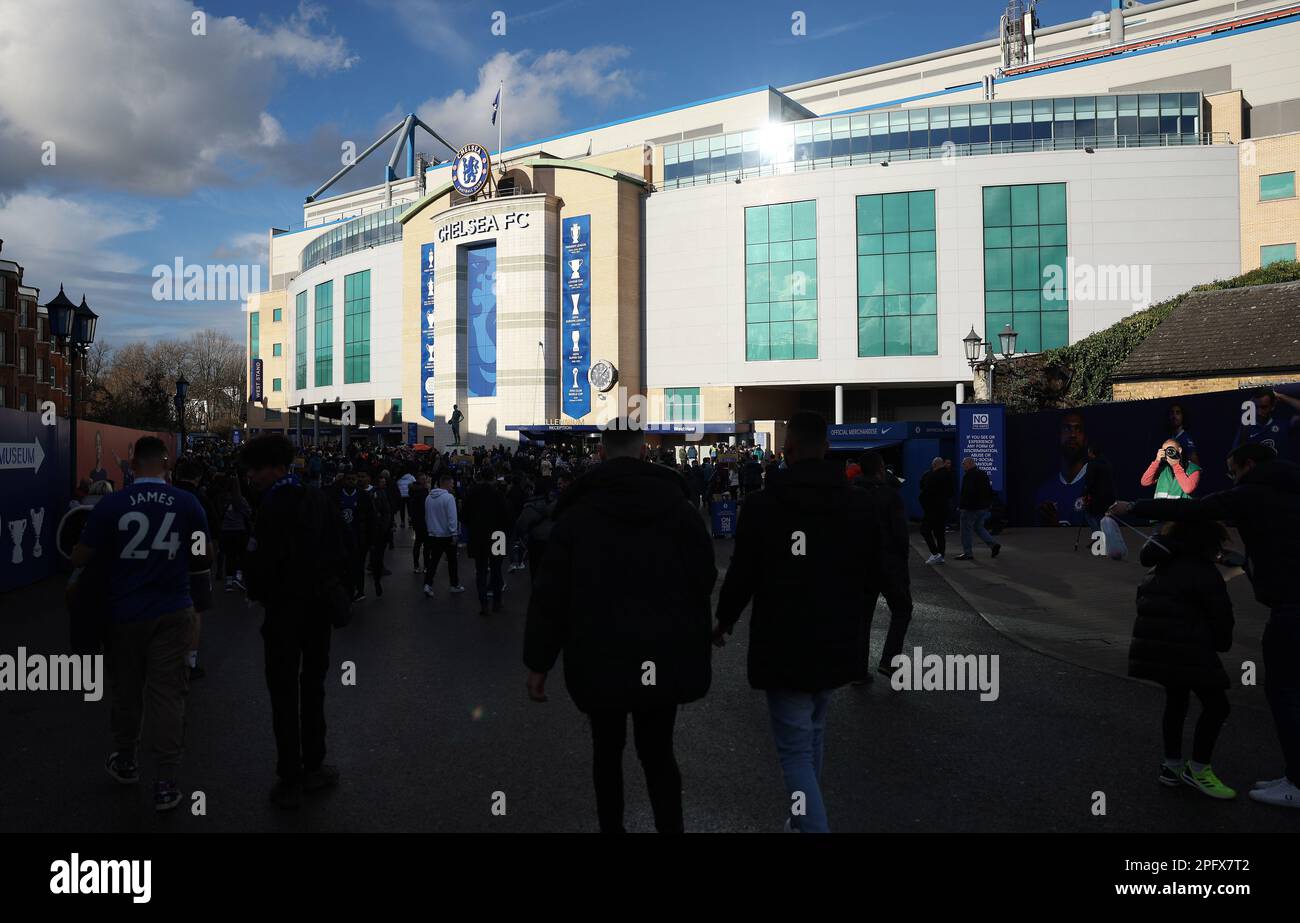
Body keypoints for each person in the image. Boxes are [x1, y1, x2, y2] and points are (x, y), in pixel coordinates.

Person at [524, 424, 716, 833]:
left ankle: (612, 828)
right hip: (661, 653)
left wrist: (539, 662)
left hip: (598, 654)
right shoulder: (678, 508)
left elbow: (551, 592)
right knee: (659, 753)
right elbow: (704, 576)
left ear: (600, 452)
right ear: (645, 452)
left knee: (606, 753)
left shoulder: (577, 514)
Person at [713, 412, 880, 832]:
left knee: (794, 750)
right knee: (814, 731)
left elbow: (743, 572)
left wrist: (723, 620)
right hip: (835, 634)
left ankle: (809, 824)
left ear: (785, 453)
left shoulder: (764, 505)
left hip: (783, 639)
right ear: (826, 448)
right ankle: (802, 817)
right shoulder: (856, 503)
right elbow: (871, 568)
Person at [1110, 442, 1300, 809]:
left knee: (1286, 693)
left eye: (1232, 471)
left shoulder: (1253, 492)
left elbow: (1193, 507)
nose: (1231, 479)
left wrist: (1133, 506)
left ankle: (1295, 780)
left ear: (1248, 465)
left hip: (1289, 609)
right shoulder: (1291, 489)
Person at [70, 436, 212, 812]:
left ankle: (127, 758)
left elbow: (80, 556)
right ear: (166, 465)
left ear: (133, 466)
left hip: (125, 612)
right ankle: (165, 781)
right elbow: (203, 557)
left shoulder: (113, 503)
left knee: (127, 690)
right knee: (168, 694)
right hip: (174, 608)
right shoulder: (188, 503)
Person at [242, 434, 349, 809]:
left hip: (283, 613)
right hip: (317, 611)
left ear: (273, 468)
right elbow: (340, 549)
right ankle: (314, 765)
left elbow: (260, 563)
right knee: (314, 686)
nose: (251, 477)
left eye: (255, 469)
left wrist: (258, 590)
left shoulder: (271, 506)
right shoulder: (317, 498)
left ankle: (289, 773)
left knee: (283, 692)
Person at [1128, 520, 1236, 798]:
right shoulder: (1203, 572)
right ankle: (1198, 769)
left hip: (1160, 651)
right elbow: (1221, 617)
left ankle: (1172, 766)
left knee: (1177, 700)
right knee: (1217, 706)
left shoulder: (1159, 568)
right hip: (1192, 650)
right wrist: (1220, 644)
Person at [855, 450, 912, 683]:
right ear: (881, 469)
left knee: (862, 618)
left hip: (861, 566)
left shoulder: (851, 495)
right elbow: (900, 536)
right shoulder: (890, 496)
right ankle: (889, 660)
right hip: (888, 564)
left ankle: (858, 671)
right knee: (902, 609)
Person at [463, 467, 512, 616]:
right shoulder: (499, 494)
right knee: (497, 569)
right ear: (493, 478)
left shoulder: (472, 494)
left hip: (478, 535)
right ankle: (497, 601)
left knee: (481, 570)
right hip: (497, 534)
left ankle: (483, 602)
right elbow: (507, 517)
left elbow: (464, 516)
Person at [1036, 411, 1090, 526]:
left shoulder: (1097, 486)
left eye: (1078, 429)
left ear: (1086, 439)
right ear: (1058, 436)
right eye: (1067, 429)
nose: (1072, 435)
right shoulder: (1045, 491)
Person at [327, 467, 372, 601]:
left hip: (358, 539)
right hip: (341, 539)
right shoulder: (335, 494)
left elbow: (371, 518)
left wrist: (370, 539)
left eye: (353, 479)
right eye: (348, 479)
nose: (351, 481)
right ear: (343, 480)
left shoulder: (363, 496)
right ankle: (346, 590)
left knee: (357, 565)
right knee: (343, 565)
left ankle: (358, 589)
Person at [423, 473, 465, 598]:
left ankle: (428, 584)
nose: (453, 486)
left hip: (433, 534)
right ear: (446, 483)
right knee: (452, 561)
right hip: (447, 535)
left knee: (433, 561)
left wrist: (430, 530)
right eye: (451, 483)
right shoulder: (449, 498)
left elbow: (427, 516)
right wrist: (454, 533)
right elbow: (452, 517)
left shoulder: (429, 497)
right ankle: (454, 584)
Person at [955, 457, 1000, 561]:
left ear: (970, 463)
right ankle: (993, 544)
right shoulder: (983, 474)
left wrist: (962, 506)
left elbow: (967, 492)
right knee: (979, 527)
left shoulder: (969, 475)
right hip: (982, 507)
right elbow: (989, 490)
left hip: (970, 508)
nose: (963, 466)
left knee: (966, 530)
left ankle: (968, 553)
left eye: (964, 464)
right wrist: (988, 504)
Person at [918, 456, 952, 564]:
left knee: (924, 530)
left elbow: (925, 493)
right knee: (940, 533)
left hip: (932, 509)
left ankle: (935, 553)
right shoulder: (948, 475)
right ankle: (941, 555)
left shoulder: (932, 476)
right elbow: (951, 492)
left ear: (934, 465)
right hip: (943, 508)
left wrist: (925, 505)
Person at [368, 473, 394, 598]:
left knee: (378, 552)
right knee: (377, 552)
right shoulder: (377, 494)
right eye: (382, 482)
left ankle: (375, 569)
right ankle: (376, 571)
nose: (384, 484)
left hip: (381, 528)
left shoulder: (380, 492)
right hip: (378, 529)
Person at [1082, 443, 1116, 528]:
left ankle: (1099, 536)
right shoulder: (1107, 463)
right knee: (1103, 517)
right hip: (1109, 497)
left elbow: (1089, 481)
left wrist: (1084, 494)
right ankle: (1104, 535)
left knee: (1089, 515)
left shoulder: (1092, 464)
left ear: (1091, 452)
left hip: (1097, 498)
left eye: (1088, 452)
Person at [409, 473, 430, 573]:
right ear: (418, 480)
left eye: (425, 479)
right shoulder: (422, 492)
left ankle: (417, 565)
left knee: (418, 543)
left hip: (418, 521)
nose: (425, 481)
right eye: (423, 479)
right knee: (425, 544)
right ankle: (425, 565)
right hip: (422, 521)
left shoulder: (414, 491)